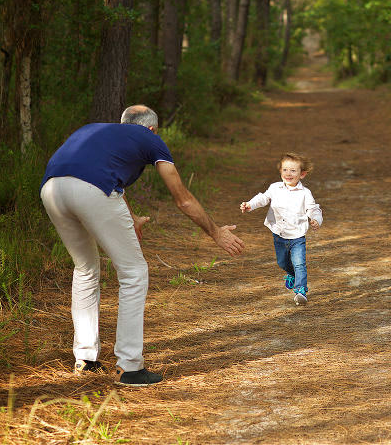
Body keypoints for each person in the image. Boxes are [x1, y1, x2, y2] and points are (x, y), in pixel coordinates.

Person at [40, 105, 245, 387]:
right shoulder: (149, 138)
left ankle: (85, 358)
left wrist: (131, 217)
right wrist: (215, 233)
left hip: (51, 188)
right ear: (151, 129)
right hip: (91, 191)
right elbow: (182, 198)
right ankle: (131, 367)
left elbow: (105, 178)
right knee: (134, 272)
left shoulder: (95, 131)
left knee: (85, 268)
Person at [240, 153, 322, 305]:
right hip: (279, 234)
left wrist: (315, 219)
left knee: (299, 263)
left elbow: (313, 208)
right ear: (280, 171)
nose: (288, 174)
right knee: (282, 262)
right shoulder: (275, 188)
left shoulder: (305, 193)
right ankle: (291, 274)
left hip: (297, 235)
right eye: (285, 170)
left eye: (293, 171)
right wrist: (250, 205)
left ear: (302, 174)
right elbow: (263, 198)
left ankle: (300, 290)